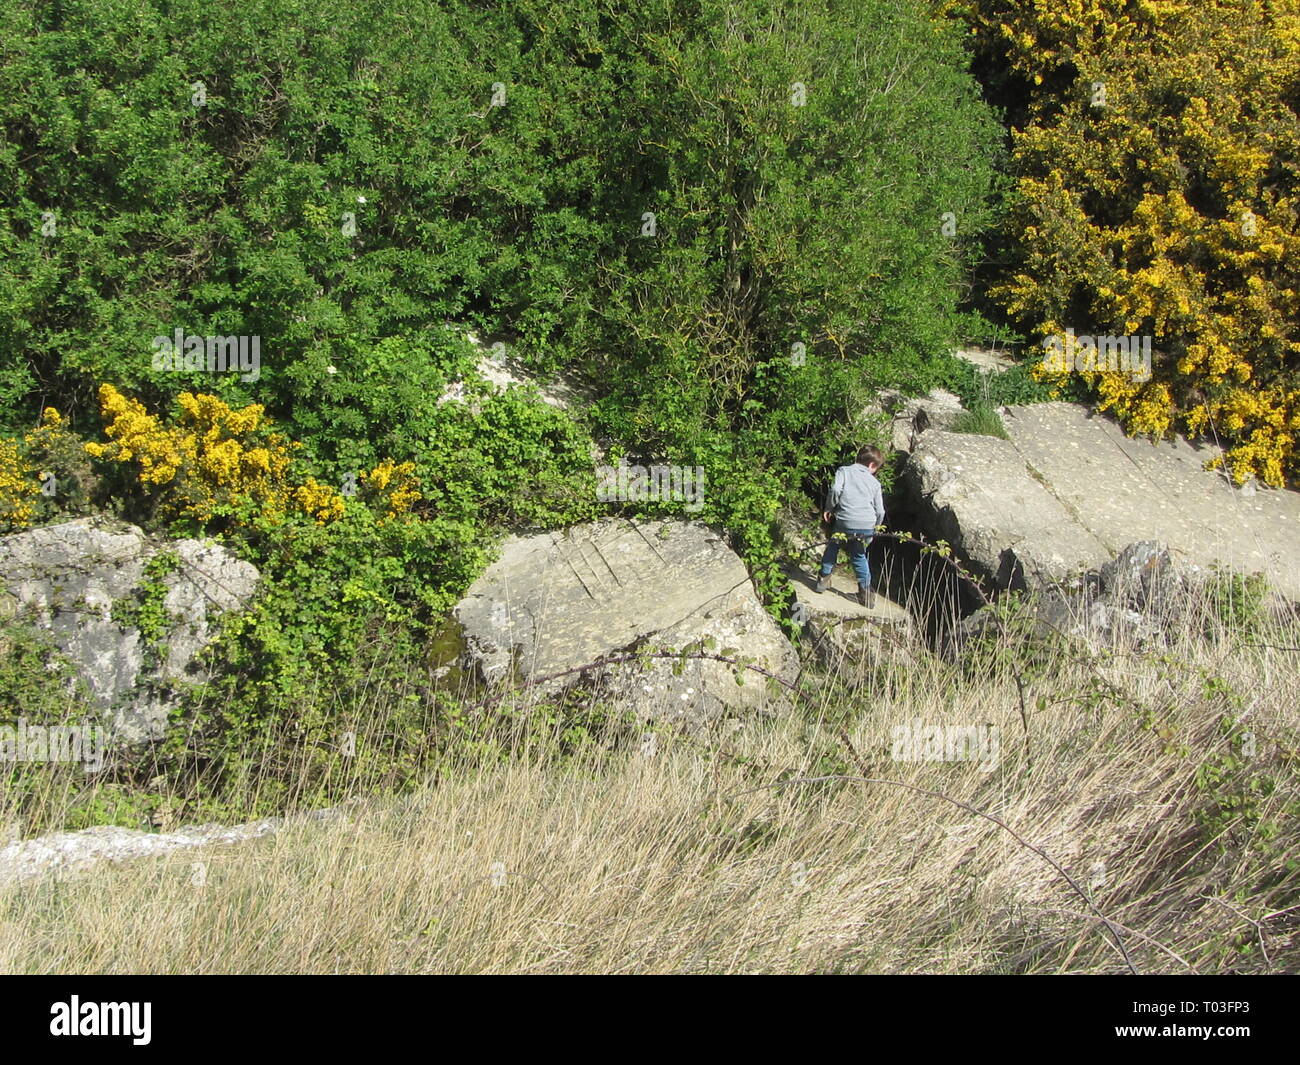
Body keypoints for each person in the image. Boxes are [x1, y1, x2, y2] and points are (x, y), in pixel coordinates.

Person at [816, 446, 886, 607]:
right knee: (859, 554)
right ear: (872, 466)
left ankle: (822, 581)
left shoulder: (844, 471)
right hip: (867, 523)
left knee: (833, 545)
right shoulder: (875, 483)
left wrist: (829, 507)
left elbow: (835, 489)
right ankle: (865, 594)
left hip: (845, 520)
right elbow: (880, 511)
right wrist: (875, 529)